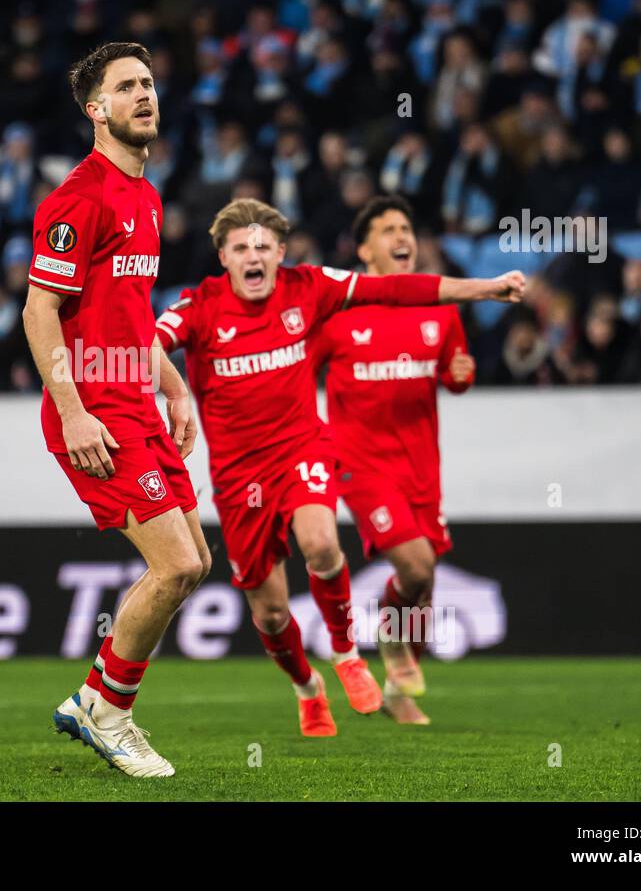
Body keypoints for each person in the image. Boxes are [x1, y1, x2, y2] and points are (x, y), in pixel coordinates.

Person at [158, 197, 523, 735]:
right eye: (240, 247)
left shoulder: (309, 286)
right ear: (223, 257)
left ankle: (348, 653)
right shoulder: (198, 307)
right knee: (272, 614)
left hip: (303, 449)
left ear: (280, 252)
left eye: (263, 246)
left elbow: (398, 290)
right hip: (240, 477)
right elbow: (148, 342)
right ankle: (307, 687)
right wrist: (175, 392)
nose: (252, 256)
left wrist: (485, 287)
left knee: (326, 544)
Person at [24, 42, 210, 778]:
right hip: (93, 411)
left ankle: (95, 701)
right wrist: (72, 412)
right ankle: (108, 713)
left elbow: (132, 310)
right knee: (174, 566)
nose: (145, 95)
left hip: (137, 401)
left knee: (195, 566)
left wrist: (171, 382)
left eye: (149, 84)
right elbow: (40, 313)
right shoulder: (79, 198)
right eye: (127, 87)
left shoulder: (148, 195)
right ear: (95, 110)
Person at [314, 195, 477, 724]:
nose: (402, 237)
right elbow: (295, 375)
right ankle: (389, 633)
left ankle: (398, 690)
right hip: (360, 465)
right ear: (365, 250)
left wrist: (460, 373)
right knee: (416, 564)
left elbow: (455, 376)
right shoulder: (338, 314)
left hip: (421, 468)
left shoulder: (440, 309)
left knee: (423, 581)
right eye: (388, 230)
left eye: (406, 227)